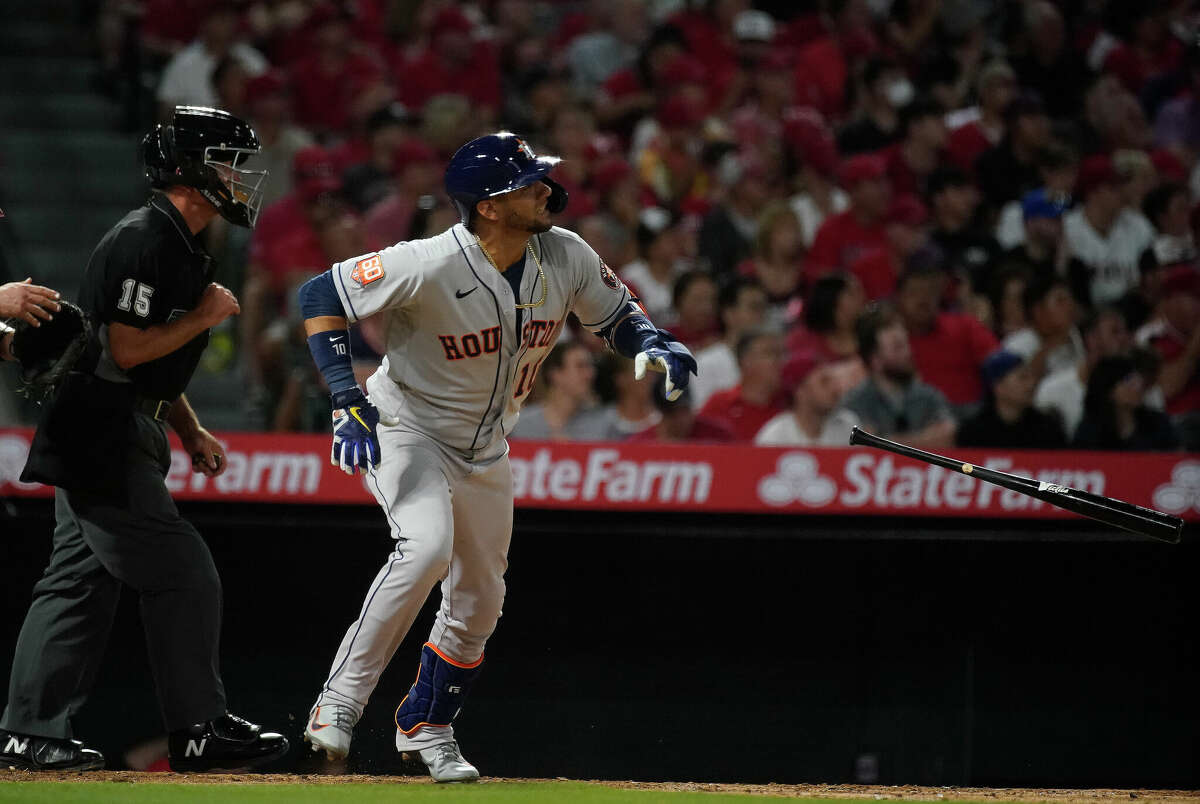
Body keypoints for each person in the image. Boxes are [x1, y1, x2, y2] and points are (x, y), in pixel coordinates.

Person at [294, 132, 696, 781]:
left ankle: (426, 723)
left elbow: (616, 313)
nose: (544, 190)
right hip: (408, 427)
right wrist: (345, 398)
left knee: (480, 599)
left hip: (485, 447)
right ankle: (339, 703)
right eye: (527, 184)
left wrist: (650, 340)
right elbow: (321, 294)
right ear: (488, 205)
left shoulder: (563, 253)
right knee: (424, 547)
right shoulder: (427, 261)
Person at [1, 107, 287, 772]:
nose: (237, 177)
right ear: (188, 169)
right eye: (225, 163)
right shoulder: (144, 238)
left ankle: (26, 732)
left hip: (121, 422)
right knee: (183, 572)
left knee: (76, 587)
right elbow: (127, 350)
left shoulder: (182, 243)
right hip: (100, 429)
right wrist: (206, 316)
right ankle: (198, 729)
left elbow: (147, 365)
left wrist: (189, 426)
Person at [839, 304, 956, 447]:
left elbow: (947, 437)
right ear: (875, 360)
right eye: (898, 347)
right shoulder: (855, 403)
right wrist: (925, 438)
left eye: (907, 344)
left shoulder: (929, 397)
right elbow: (860, 445)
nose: (908, 353)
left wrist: (884, 440)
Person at [1034, 307, 1133, 439]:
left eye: (1125, 331)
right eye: (1115, 332)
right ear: (1092, 339)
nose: (1124, 338)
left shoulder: (1134, 389)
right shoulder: (1052, 390)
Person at [956, 350, 1067, 448]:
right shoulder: (973, 431)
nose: (1031, 385)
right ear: (998, 386)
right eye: (1022, 378)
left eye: (1031, 377)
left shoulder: (1047, 428)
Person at [689, 277, 768, 410]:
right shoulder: (705, 363)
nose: (761, 315)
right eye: (754, 308)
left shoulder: (771, 361)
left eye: (763, 308)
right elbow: (701, 414)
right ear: (729, 314)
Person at [697, 328, 787, 442]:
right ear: (746, 361)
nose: (781, 361)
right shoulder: (719, 404)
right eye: (770, 353)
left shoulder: (789, 405)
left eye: (782, 354)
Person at [1073, 355, 1180, 450]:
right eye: (1128, 380)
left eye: (1138, 379)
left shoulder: (1158, 425)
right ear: (1109, 390)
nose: (1139, 386)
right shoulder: (1089, 432)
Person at [508, 341, 609, 441]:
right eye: (580, 366)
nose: (590, 374)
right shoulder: (521, 426)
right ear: (555, 374)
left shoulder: (602, 426)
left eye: (590, 366)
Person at [755, 353, 859, 446]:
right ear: (799, 390)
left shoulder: (848, 426)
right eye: (824, 382)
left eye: (834, 381)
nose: (835, 388)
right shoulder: (775, 436)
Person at [1002, 274, 1084, 380]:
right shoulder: (1015, 347)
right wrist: (1049, 346)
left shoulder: (1073, 333)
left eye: (1070, 299)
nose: (1070, 306)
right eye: (1060, 301)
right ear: (1038, 310)